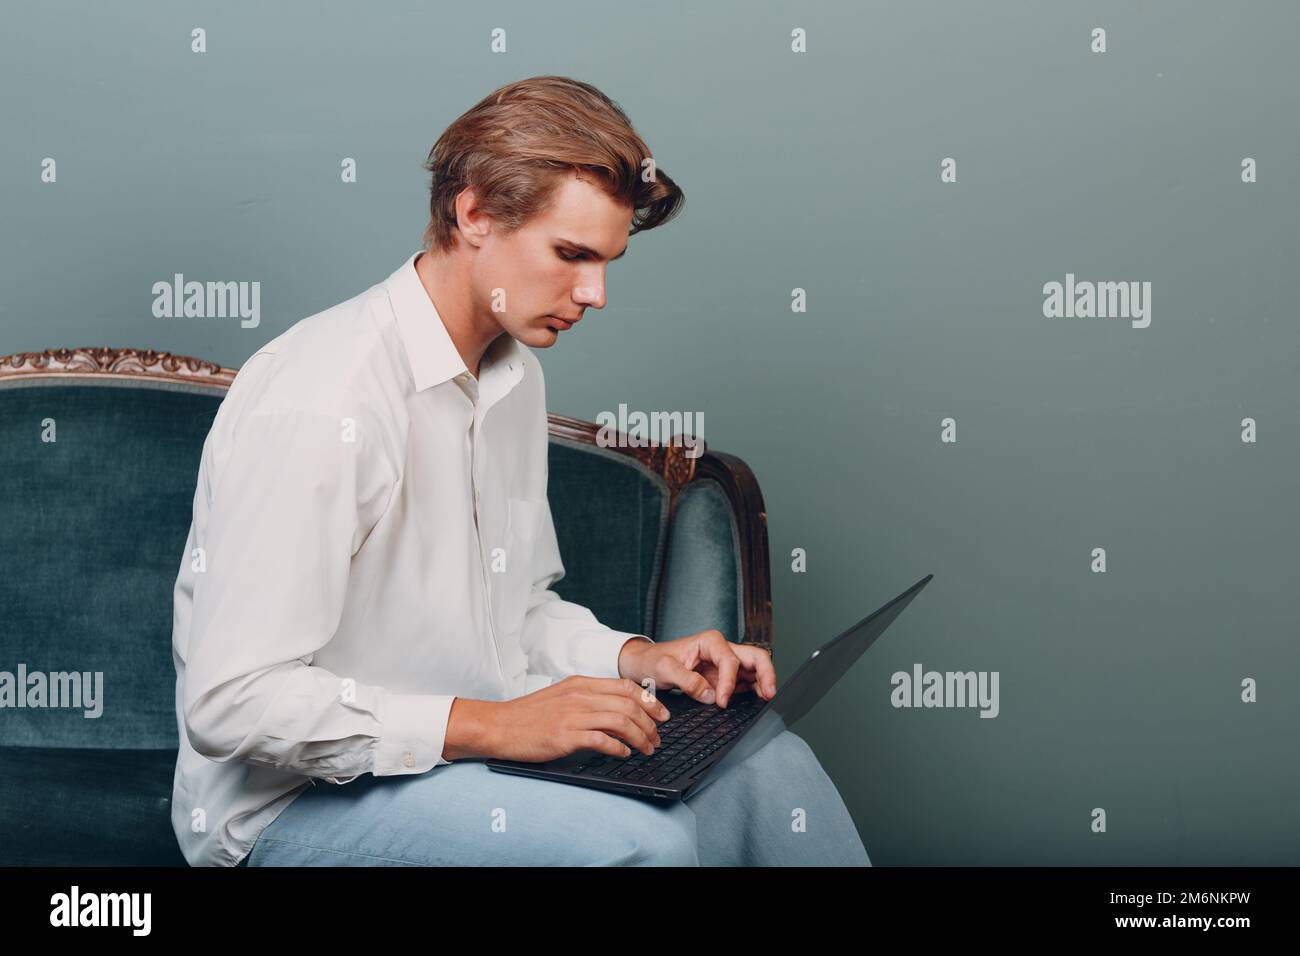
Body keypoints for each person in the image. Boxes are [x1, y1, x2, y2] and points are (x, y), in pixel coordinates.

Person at [171, 75, 870, 867]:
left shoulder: (512, 376)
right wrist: (492, 725)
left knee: (770, 769)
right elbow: (231, 701)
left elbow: (517, 617)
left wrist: (640, 659)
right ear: (473, 214)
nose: (595, 294)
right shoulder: (321, 397)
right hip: (291, 807)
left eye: (607, 261)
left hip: (471, 762)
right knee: (644, 842)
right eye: (571, 254)